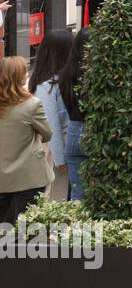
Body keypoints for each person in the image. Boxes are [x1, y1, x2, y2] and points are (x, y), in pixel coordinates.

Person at [0, 56, 54, 226]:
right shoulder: (32, 105)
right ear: (20, 77)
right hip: (29, 177)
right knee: (24, 231)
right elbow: (48, 134)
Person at [27, 29, 73, 200]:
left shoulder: (48, 81)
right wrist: (60, 159)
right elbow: (51, 124)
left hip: (58, 148)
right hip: (54, 152)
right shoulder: (48, 85)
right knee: (56, 196)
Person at [53, 27, 91, 201]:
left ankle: (77, 228)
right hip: (93, 131)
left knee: (78, 192)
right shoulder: (97, 75)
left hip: (74, 131)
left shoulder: (65, 75)